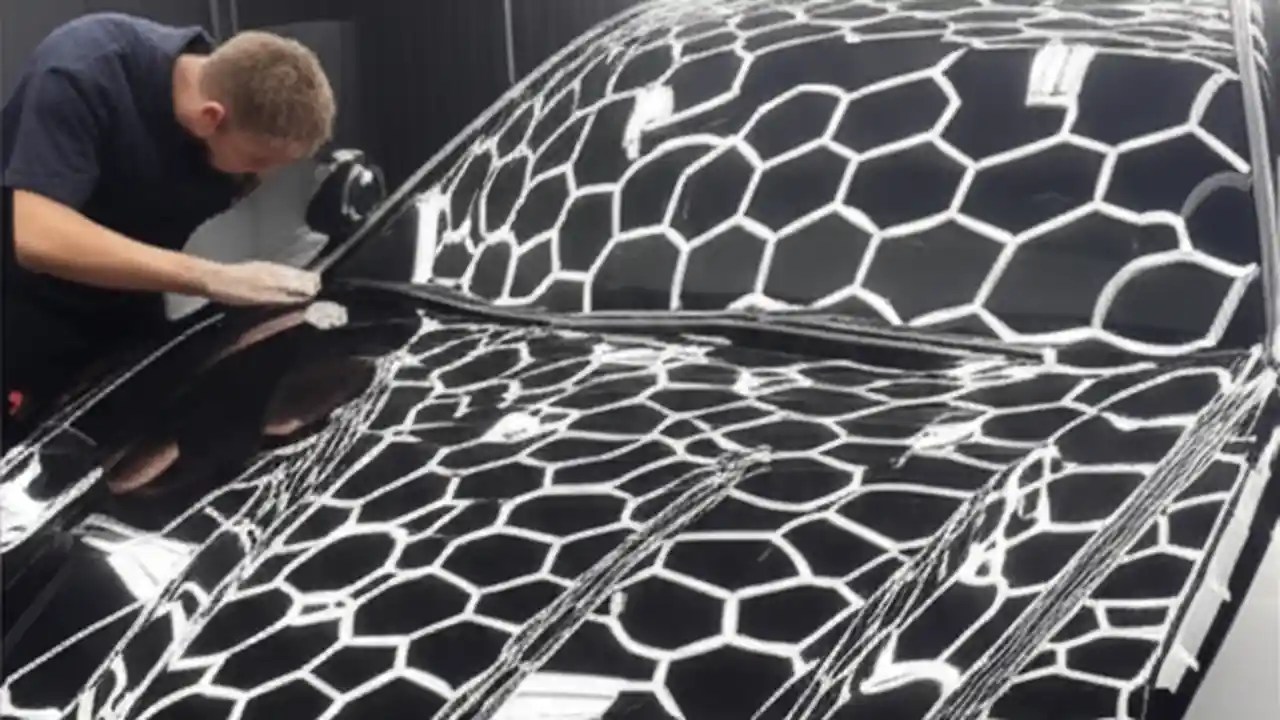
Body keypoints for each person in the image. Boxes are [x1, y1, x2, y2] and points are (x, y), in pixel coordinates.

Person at [1, 13, 336, 446]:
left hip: (126, 313)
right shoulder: (83, 71)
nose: (262, 178)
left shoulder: (239, 92)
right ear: (211, 117)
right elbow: (37, 237)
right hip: (22, 319)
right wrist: (215, 277)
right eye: (258, 162)